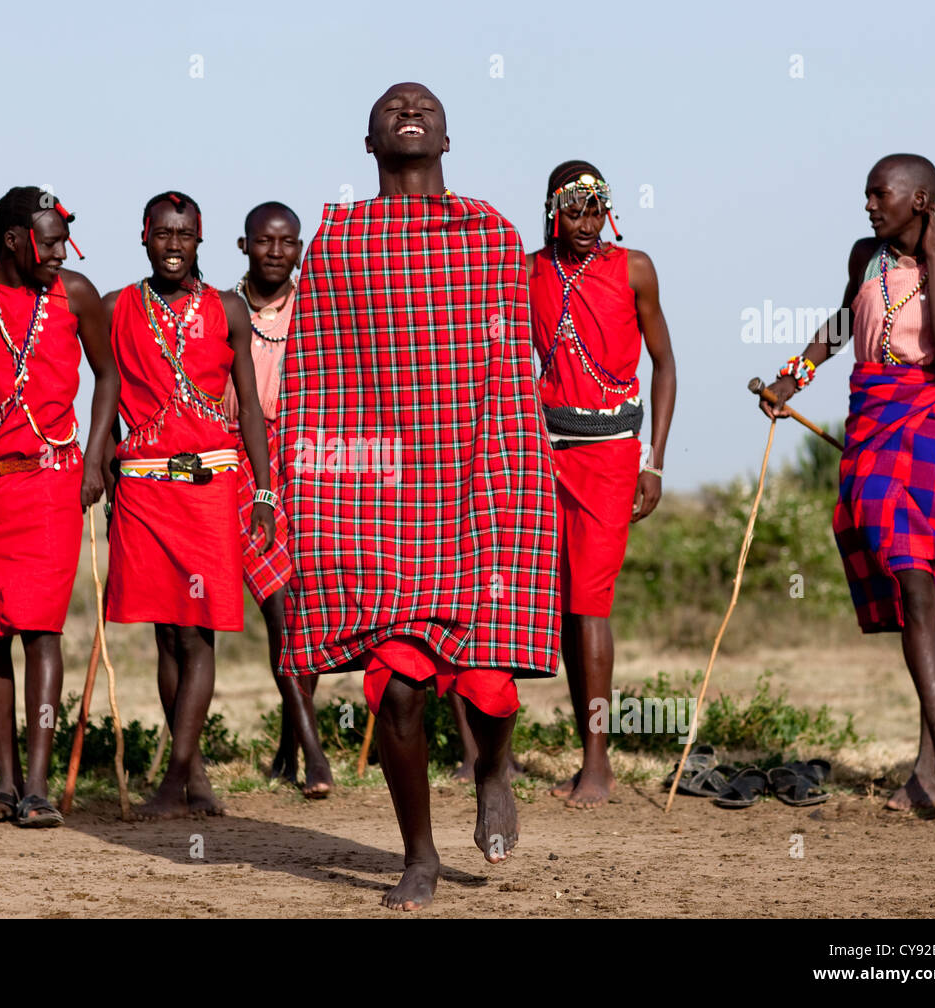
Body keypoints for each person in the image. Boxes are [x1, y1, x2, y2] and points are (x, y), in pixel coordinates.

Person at [278, 83, 560, 910]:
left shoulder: (490, 235)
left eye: (427, 106)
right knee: (398, 687)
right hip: (384, 497)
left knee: (491, 687)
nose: (411, 110)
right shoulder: (338, 242)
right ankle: (421, 855)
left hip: (479, 480)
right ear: (369, 142)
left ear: (448, 136)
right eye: (394, 106)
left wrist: (518, 474)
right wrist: (312, 481)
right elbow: (319, 374)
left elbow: (512, 373)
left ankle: (494, 768)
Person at [761, 154, 935, 810]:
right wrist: (791, 375)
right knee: (905, 570)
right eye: (866, 195)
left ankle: (929, 763)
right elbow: (840, 325)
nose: (868, 205)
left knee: (933, 587)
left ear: (920, 200)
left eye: (879, 195)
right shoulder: (866, 255)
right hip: (874, 425)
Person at [0, 186, 119, 828]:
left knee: (41, 628)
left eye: (65, 241)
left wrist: (94, 458)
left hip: (49, 484)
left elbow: (108, 375)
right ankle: (4, 784)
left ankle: (37, 788)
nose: (62, 253)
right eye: (51, 241)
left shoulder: (78, 296)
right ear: (14, 240)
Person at [103, 191, 276, 821]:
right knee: (166, 635)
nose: (173, 246)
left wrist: (262, 488)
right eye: (163, 234)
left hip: (210, 488)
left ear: (200, 240)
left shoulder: (227, 309)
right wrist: (101, 461)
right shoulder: (117, 307)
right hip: (145, 489)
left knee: (199, 633)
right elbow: (104, 390)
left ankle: (176, 777)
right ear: (144, 235)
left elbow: (250, 407)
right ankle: (193, 773)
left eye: (185, 235)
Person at [527, 161, 676, 808]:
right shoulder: (526, 271)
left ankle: (598, 764)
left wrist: (655, 461)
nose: (587, 223)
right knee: (563, 604)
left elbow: (666, 362)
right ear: (554, 211)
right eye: (575, 210)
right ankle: (582, 755)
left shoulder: (633, 268)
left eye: (596, 209)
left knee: (590, 601)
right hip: (544, 451)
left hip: (613, 450)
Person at [224, 201, 333, 798]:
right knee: (279, 605)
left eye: (288, 243)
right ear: (244, 246)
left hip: (309, 460)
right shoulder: (219, 308)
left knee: (308, 606)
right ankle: (314, 755)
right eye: (265, 242)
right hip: (242, 458)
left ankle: (290, 747)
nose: (276, 252)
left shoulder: (316, 310)